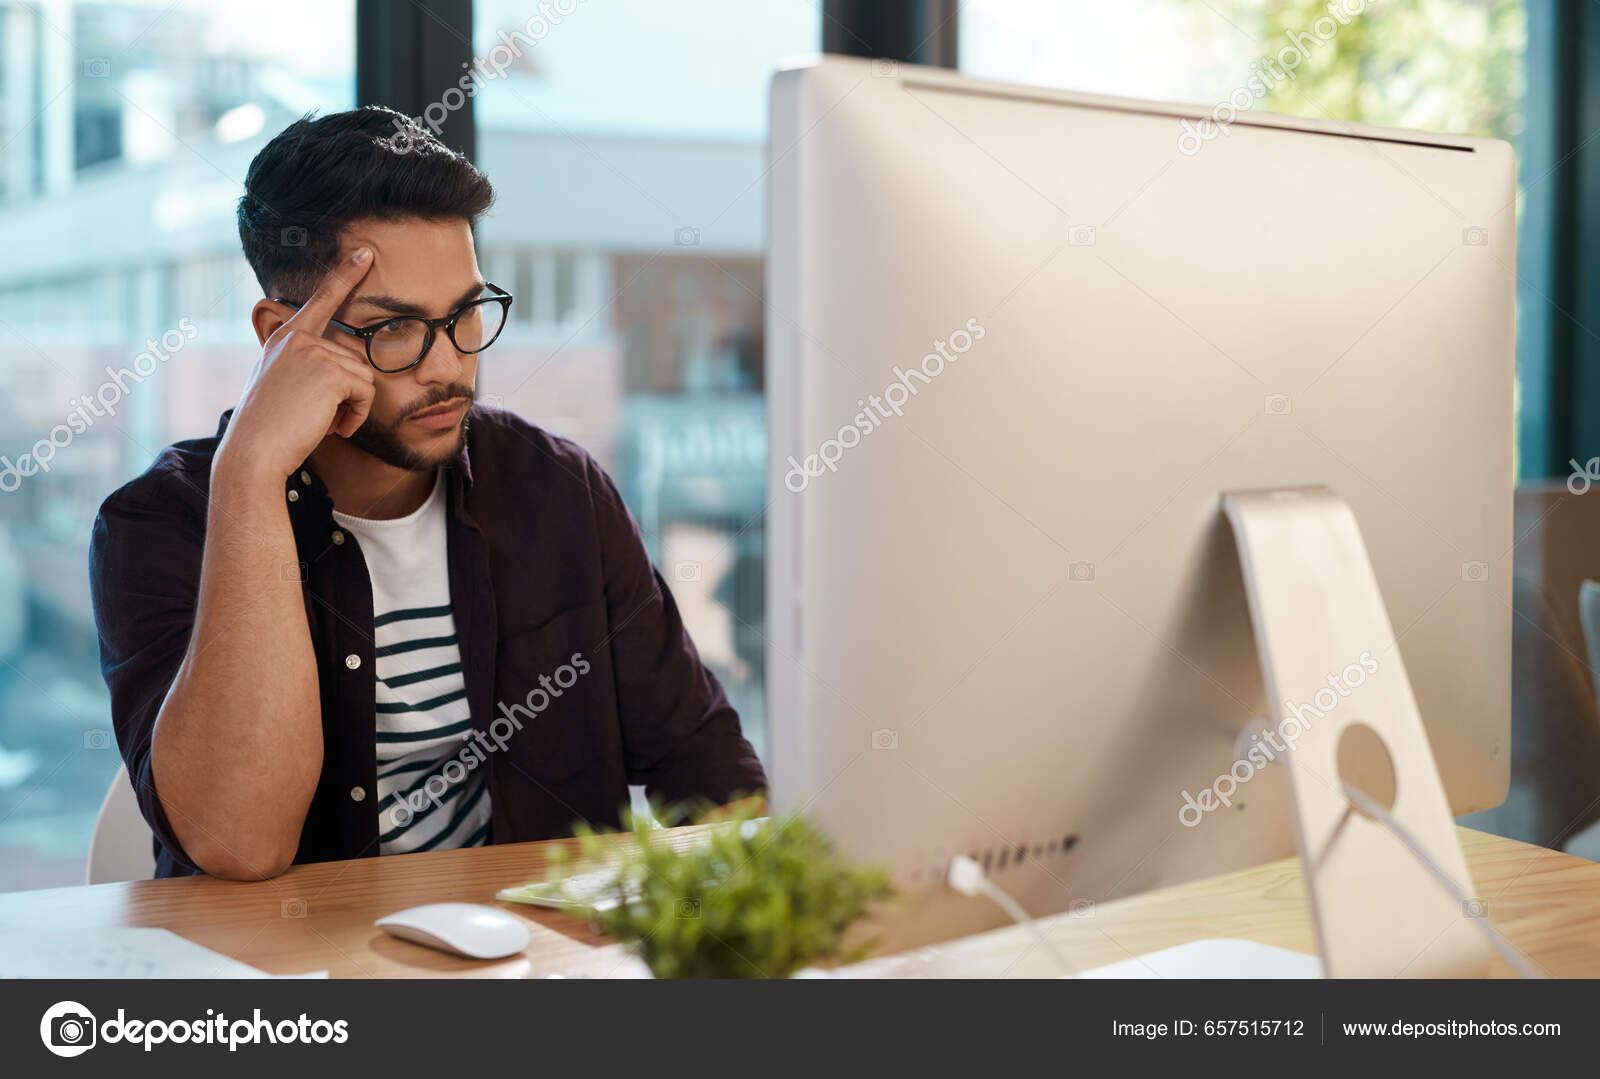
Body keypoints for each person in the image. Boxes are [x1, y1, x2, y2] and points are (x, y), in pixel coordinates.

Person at [88, 107, 766, 880]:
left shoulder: (556, 489)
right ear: (283, 336)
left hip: (537, 960)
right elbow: (242, 842)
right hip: (303, 981)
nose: (448, 367)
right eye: (394, 330)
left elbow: (700, 758)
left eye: (465, 314)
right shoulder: (158, 524)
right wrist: (249, 475)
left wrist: (761, 921)